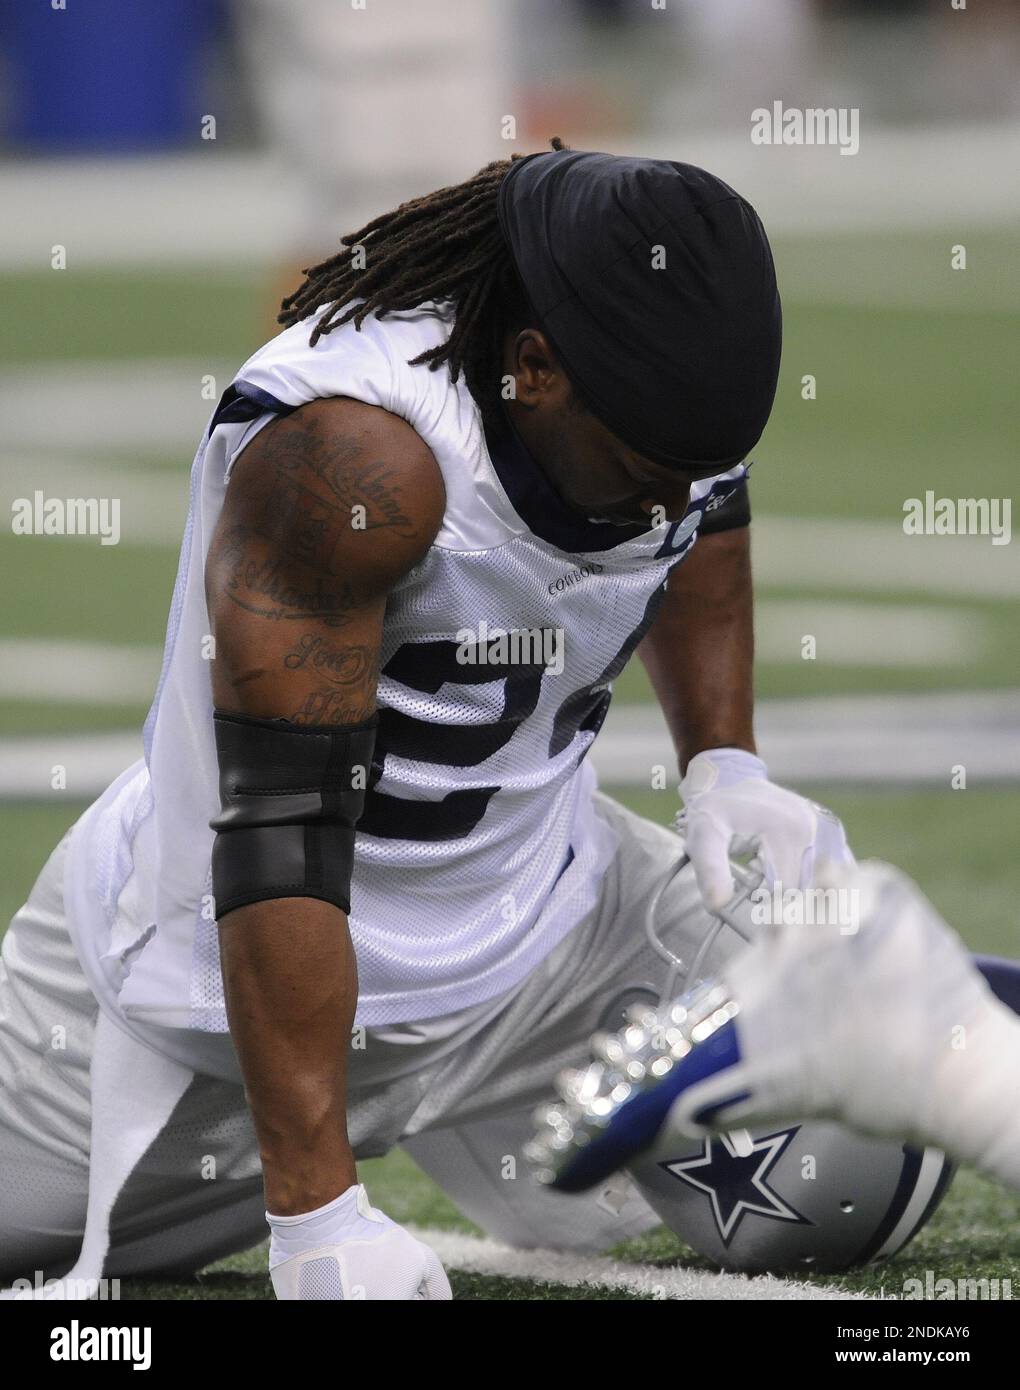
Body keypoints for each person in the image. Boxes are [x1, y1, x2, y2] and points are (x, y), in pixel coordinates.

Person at [1, 140, 932, 1301]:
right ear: (532, 368)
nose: (673, 506)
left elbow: (706, 505)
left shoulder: (640, 396)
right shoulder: (353, 458)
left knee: (869, 1139)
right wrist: (313, 1216)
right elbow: (278, 835)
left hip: (542, 936)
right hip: (219, 1009)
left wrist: (726, 764)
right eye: (652, 469)